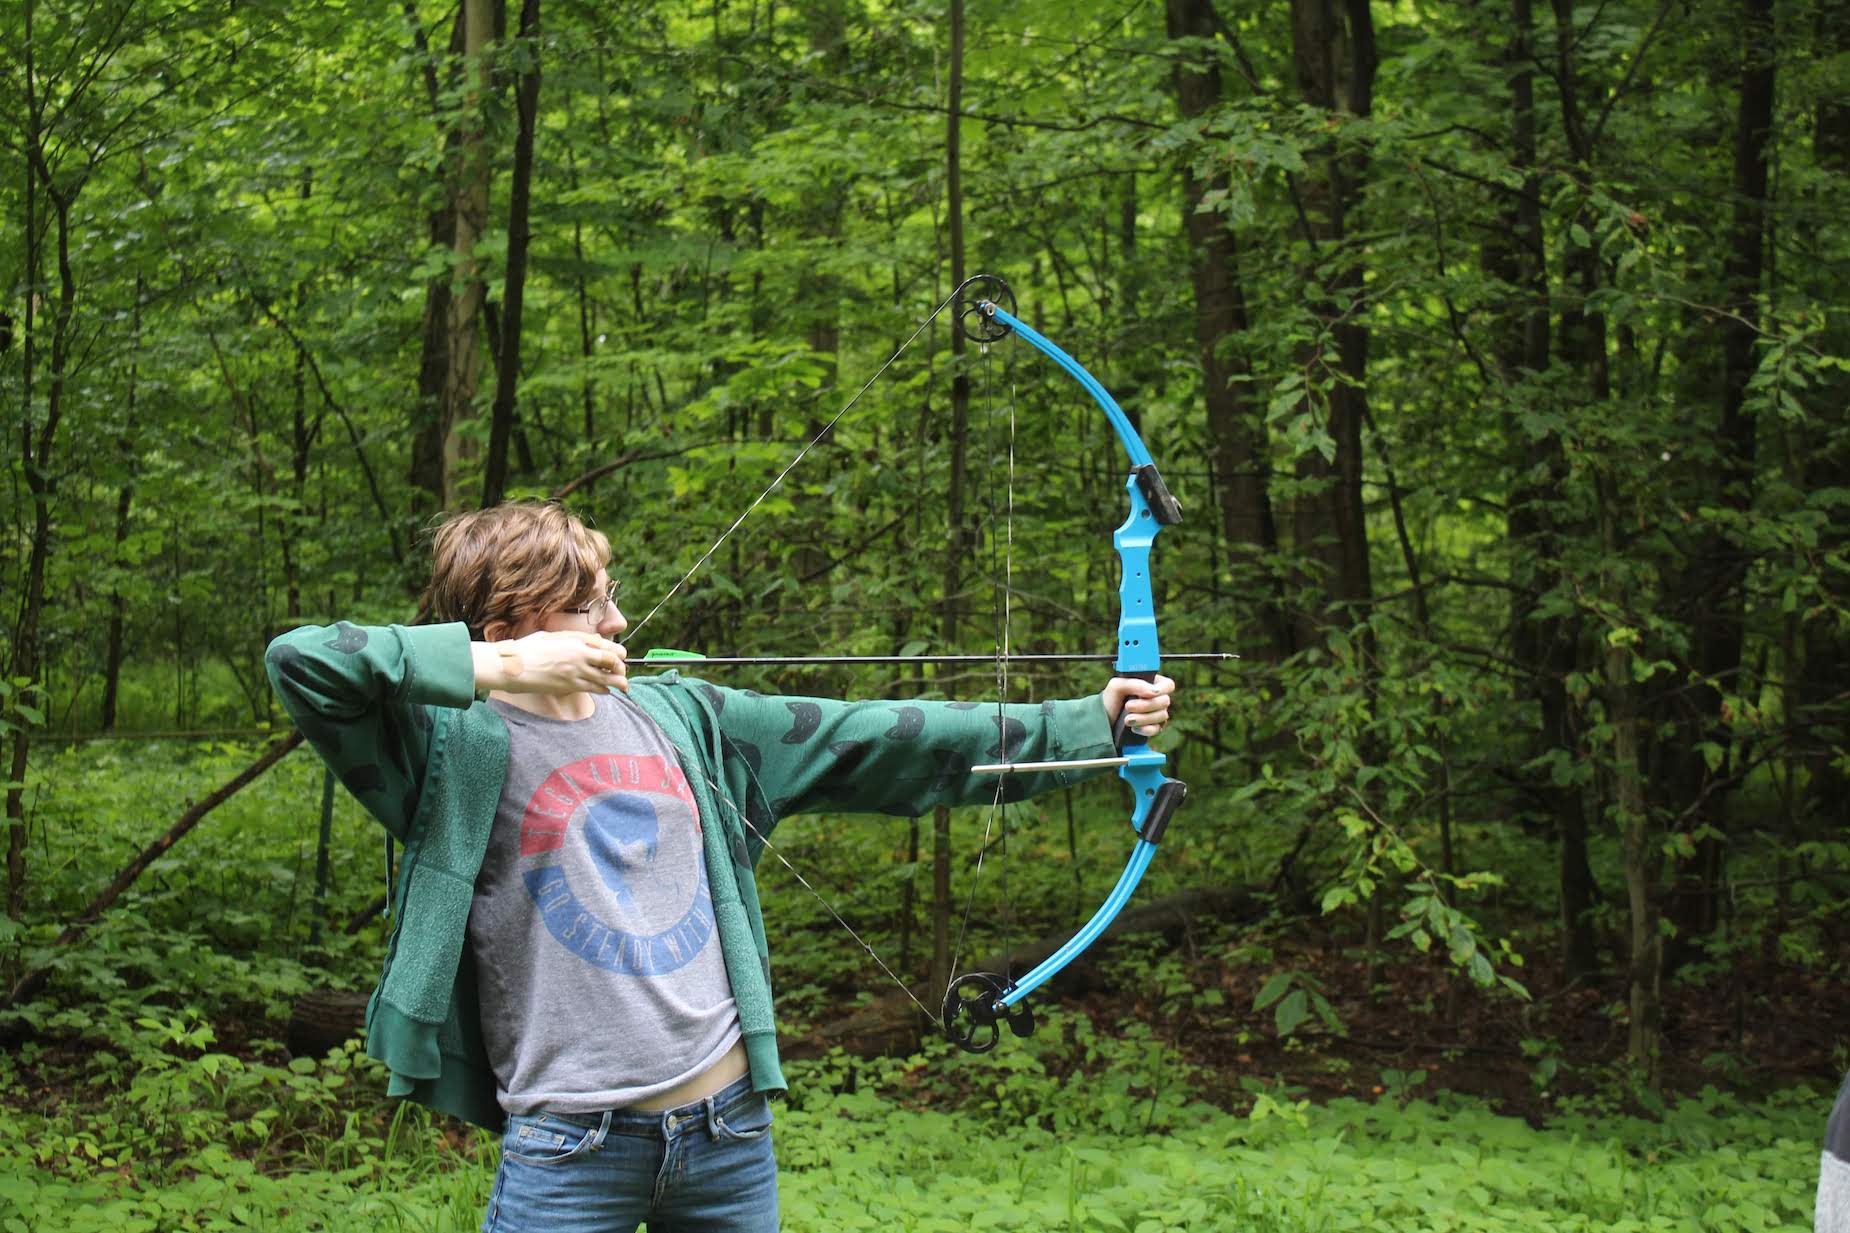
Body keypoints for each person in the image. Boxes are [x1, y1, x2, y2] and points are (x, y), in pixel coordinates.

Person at [265, 499, 1176, 1233]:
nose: (619, 621)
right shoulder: (442, 744)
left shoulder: (684, 717)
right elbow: (302, 661)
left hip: (726, 1129)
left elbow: (883, 740)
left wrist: (1086, 723)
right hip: (567, 1147)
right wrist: (494, 665)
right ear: (516, 621)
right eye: (592, 606)